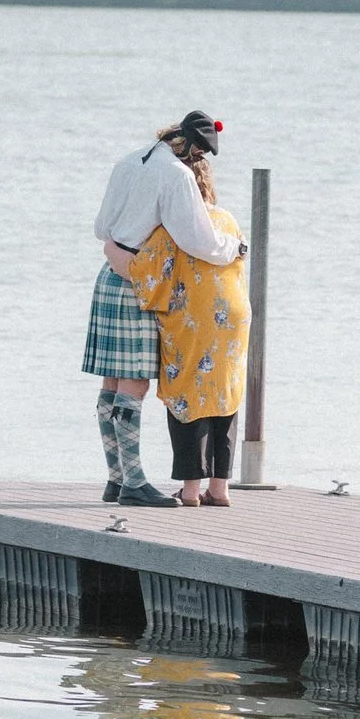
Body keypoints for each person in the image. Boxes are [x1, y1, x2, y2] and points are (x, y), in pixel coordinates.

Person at [84, 110, 242, 507]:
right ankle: (134, 484)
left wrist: (119, 245)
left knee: (111, 384)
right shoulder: (176, 174)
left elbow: (101, 228)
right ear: (190, 148)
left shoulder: (128, 161)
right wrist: (233, 248)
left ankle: (116, 478)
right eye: (199, 155)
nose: (197, 162)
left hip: (110, 275)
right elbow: (196, 240)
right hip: (143, 280)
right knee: (134, 383)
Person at [123, 147, 249, 507]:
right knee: (224, 393)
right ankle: (220, 488)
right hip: (234, 314)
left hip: (193, 317)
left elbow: (146, 274)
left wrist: (112, 250)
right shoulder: (227, 219)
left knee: (186, 396)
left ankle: (191, 490)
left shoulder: (173, 227)